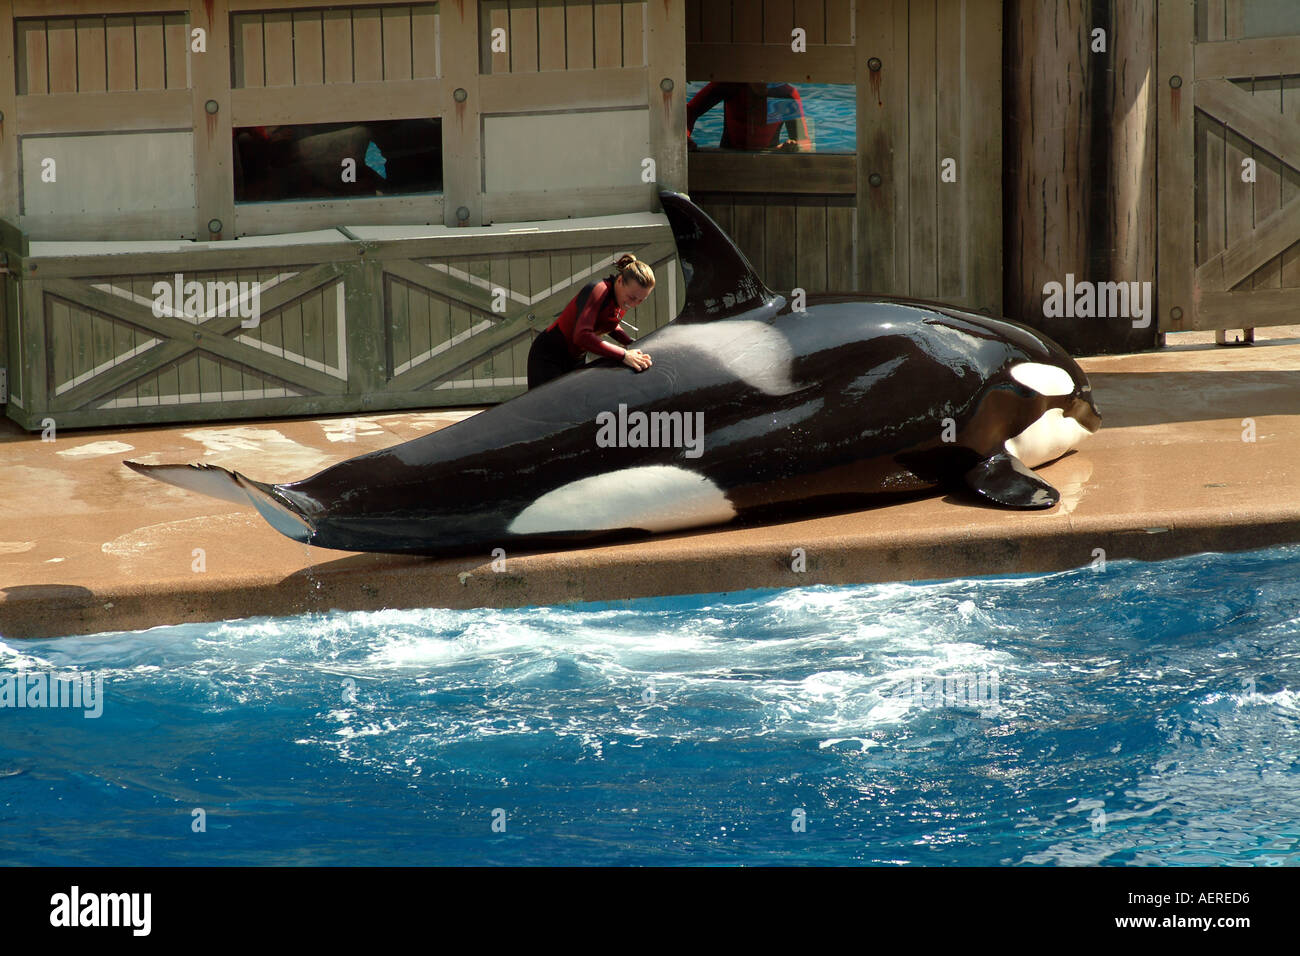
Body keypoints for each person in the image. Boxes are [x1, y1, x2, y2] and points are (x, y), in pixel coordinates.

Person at [526, 254, 654, 389]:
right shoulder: (599, 289)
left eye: (640, 300)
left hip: (575, 359)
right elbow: (582, 335)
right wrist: (623, 355)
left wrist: (631, 344)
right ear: (620, 281)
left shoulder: (622, 299)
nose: (633, 304)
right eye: (632, 297)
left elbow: (610, 324)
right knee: (548, 407)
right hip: (549, 355)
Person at [686, 81, 812, 152]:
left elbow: (804, 143)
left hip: (769, 161)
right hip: (729, 159)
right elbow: (690, 110)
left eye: (768, 80)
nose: (763, 81)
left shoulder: (784, 94)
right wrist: (684, 138)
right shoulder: (731, 85)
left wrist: (793, 147)